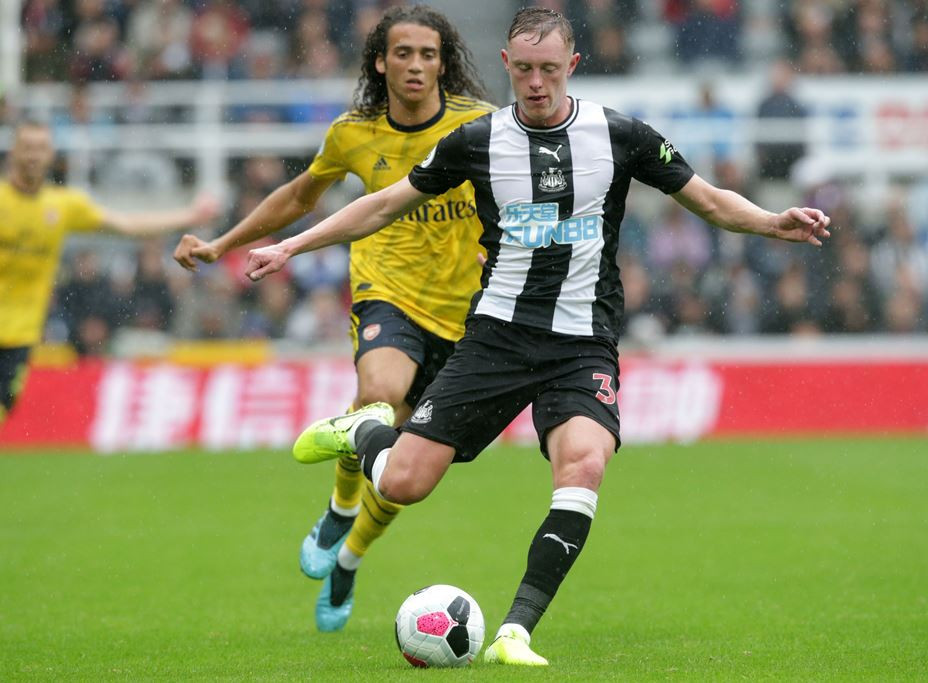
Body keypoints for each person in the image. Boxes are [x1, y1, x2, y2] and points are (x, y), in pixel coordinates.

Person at [245, 7, 831, 666]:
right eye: (523, 69)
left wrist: (773, 222)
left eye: (549, 69)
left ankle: (515, 630)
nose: (535, 82)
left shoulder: (621, 135)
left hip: (582, 344)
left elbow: (712, 200)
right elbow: (381, 204)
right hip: (497, 338)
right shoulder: (476, 141)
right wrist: (291, 245)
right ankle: (362, 432)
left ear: (571, 65)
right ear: (506, 65)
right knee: (405, 483)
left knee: (584, 463)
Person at [171, 6, 493, 633]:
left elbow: (522, 191)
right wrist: (222, 244)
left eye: (428, 54)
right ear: (381, 62)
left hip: (467, 312)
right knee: (378, 397)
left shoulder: (479, 125)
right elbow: (299, 195)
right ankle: (339, 511)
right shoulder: (354, 133)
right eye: (404, 53)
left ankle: (350, 557)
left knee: (407, 465)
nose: (416, 65)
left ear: (443, 63)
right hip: (388, 292)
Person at [0, 120, 217, 426]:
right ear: (13, 153)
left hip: (21, 336)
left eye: (41, 148)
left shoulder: (62, 205)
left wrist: (190, 215)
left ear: (51, 155)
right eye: (27, 148)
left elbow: (127, 224)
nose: (33, 155)